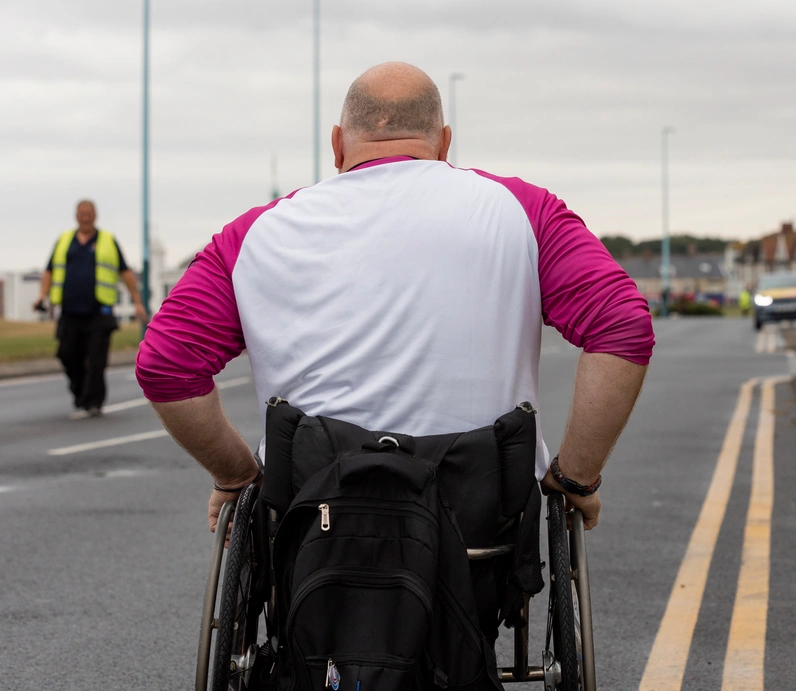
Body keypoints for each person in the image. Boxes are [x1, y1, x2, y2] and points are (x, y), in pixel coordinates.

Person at [134, 61, 654, 534]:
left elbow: (165, 363)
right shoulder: (523, 212)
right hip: (479, 510)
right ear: (444, 143)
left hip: (312, 511)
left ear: (337, 144)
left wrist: (238, 476)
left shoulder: (255, 235)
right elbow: (623, 326)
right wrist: (576, 476)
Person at [35, 200, 148, 417]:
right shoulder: (64, 241)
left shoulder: (107, 240)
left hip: (99, 313)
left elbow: (125, 272)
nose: (85, 217)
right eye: (81, 213)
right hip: (69, 312)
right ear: (76, 216)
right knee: (67, 355)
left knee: (97, 360)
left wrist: (137, 301)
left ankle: (92, 403)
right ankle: (80, 395)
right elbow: (49, 271)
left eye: (89, 213)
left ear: (95, 216)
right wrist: (42, 295)